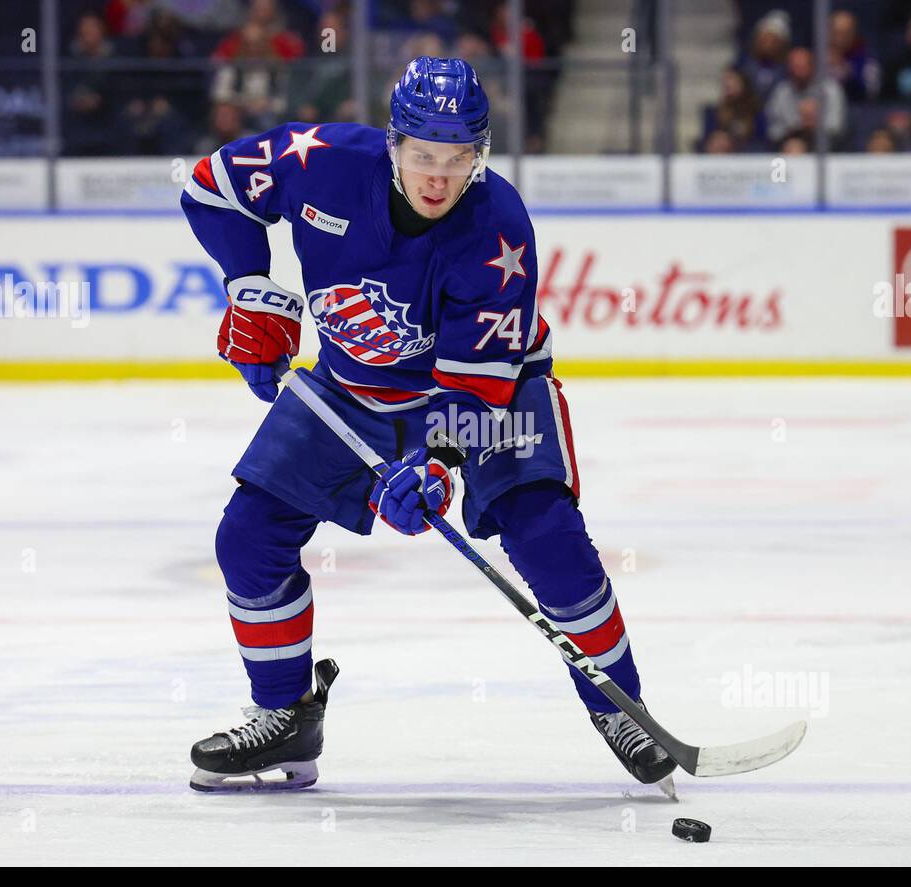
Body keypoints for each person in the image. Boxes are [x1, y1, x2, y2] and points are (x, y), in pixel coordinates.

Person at [179, 57, 674, 791]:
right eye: (422, 157)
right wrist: (250, 287)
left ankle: (620, 704)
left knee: (545, 536)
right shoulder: (318, 161)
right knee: (247, 539)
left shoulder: (496, 227)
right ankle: (286, 718)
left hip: (493, 390)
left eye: (456, 159)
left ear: (480, 156)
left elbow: (477, 383)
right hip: (351, 388)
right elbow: (209, 188)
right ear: (391, 143)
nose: (437, 178)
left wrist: (437, 465)